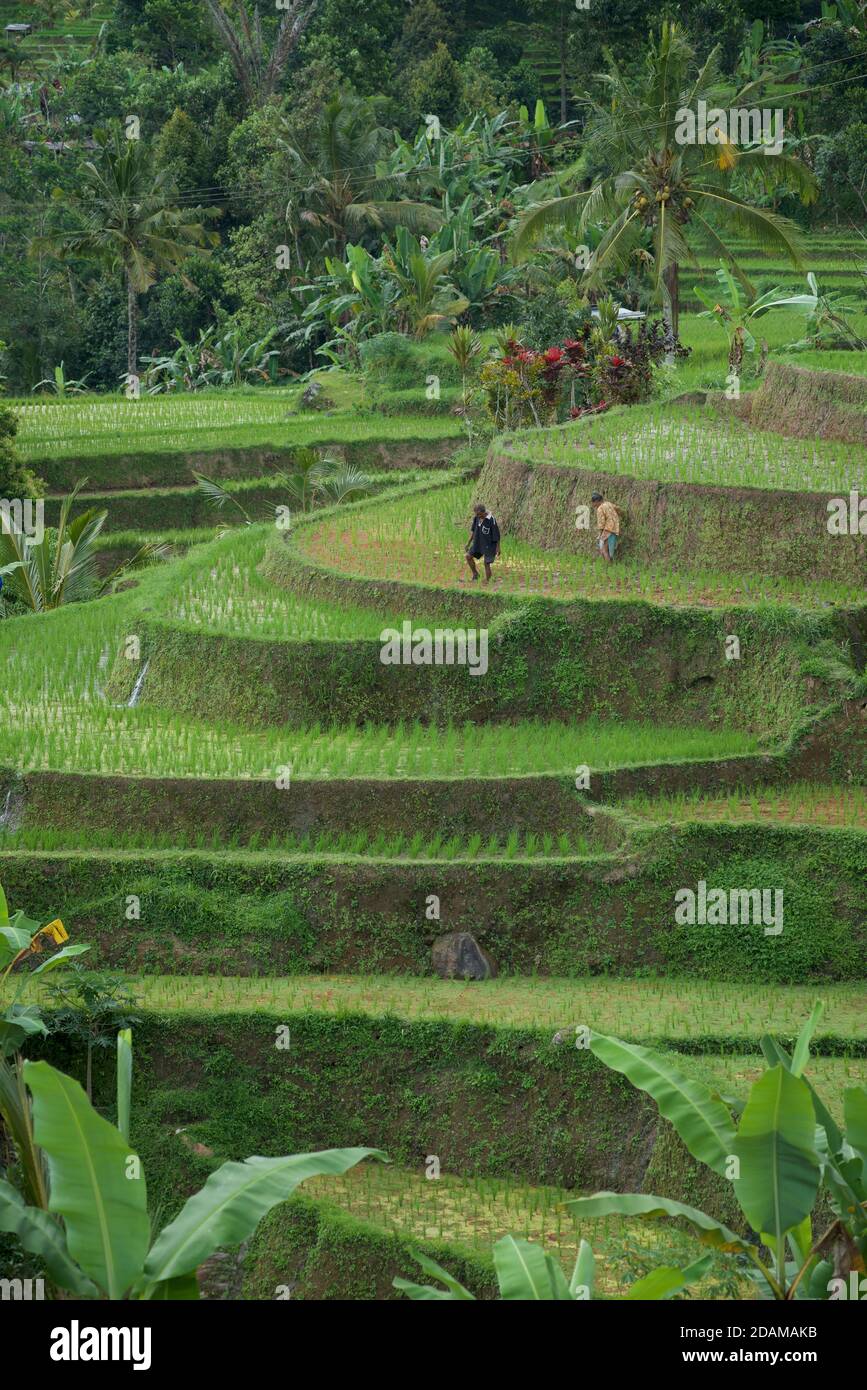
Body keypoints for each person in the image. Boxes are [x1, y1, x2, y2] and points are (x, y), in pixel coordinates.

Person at [465, 503, 501, 582]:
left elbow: (496, 534)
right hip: (478, 543)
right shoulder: (476, 518)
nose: (478, 516)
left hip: (489, 544)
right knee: (468, 556)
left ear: (484, 512)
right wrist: (468, 543)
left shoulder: (491, 520)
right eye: (476, 514)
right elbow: (473, 531)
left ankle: (488, 580)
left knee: (486, 563)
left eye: (479, 514)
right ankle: (475, 574)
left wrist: (498, 548)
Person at [592, 491, 620, 562]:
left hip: (608, 529)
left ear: (597, 501)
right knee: (607, 548)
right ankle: (609, 562)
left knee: (604, 549)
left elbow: (601, 524)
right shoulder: (608, 503)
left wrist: (600, 535)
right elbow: (618, 509)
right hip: (615, 528)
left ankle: (608, 566)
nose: (593, 504)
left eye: (594, 502)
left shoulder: (600, 509)